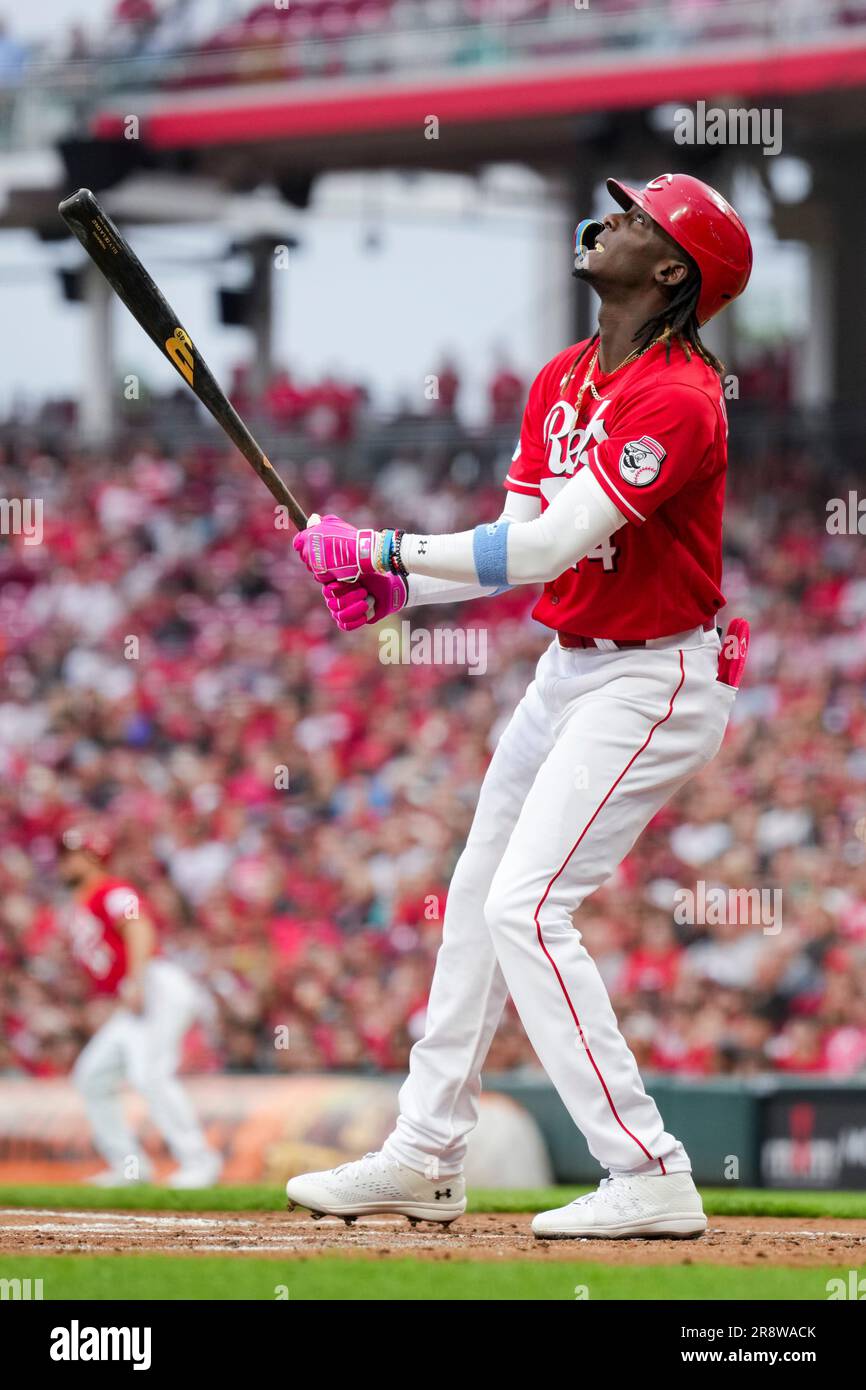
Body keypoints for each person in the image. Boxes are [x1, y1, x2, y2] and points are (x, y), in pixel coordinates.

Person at [288, 173, 752, 1238]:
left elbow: (542, 546)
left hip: (653, 674)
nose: (610, 221)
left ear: (671, 271)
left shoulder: (679, 398)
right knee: (475, 897)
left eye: (638, 218)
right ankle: (424, 1152)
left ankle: (645, 1166)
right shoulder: (559, 379)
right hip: (569, 667)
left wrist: (388, 548)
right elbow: (513, 544)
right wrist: (400, 584)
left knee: (526, 907)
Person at [57, 826, 222, 1188]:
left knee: (151, 1074)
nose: (63, 862)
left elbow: (139, 926)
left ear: (92, 856)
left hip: (154, 982)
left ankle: (199, 1161)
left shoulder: (111, 889)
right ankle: (130, 1168)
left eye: (70, 854)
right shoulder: (84, 900)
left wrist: (134, 979)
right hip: (136, 992)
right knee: (92, 1075)